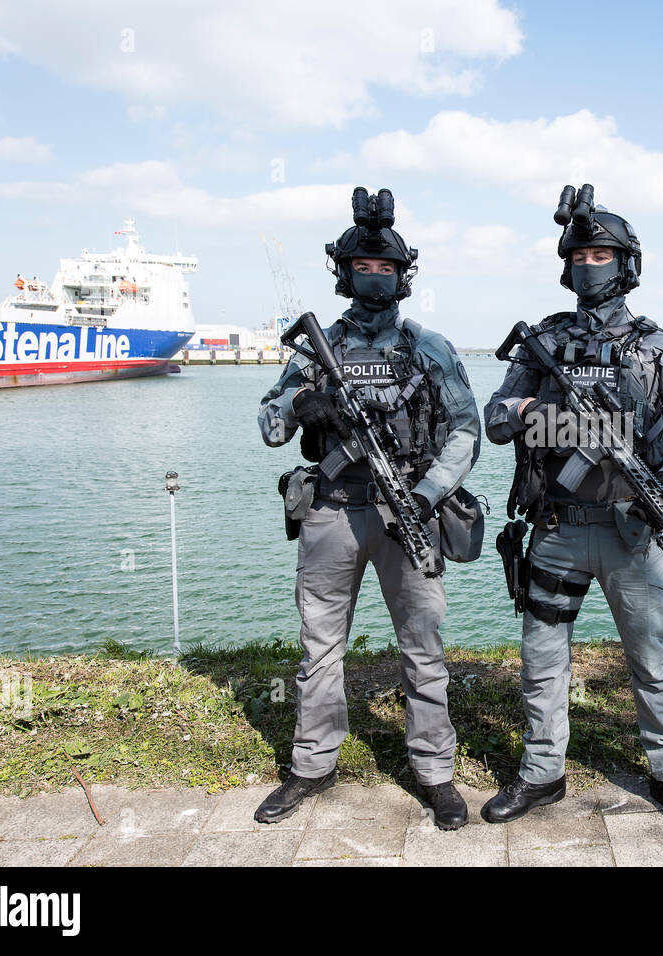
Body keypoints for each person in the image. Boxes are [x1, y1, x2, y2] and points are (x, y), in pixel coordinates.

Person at [482, 186, 663, 834]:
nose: (591, 262)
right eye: (580, 252)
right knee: (542, 660)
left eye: (602, 252)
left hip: (630, 532)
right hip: (556, 529)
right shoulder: (544, 341)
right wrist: (538, 412)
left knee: (650, 660)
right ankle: (541, 773)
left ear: (626, 263)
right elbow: (496, 419)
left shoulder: (656, 347)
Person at [255, 188, 481, 829]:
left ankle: (435, 771)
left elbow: (465, 431)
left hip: (408, 511)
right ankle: (311, 765)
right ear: (344, 273)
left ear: (403, 276)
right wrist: (305, 406)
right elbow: (271, 425)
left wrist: (428, 493)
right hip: (331, 512)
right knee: (320, 646)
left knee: (423, 646)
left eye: (386, 269)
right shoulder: (315, 346)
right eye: (363, 268)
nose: (374, 278)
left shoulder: (428, 347)